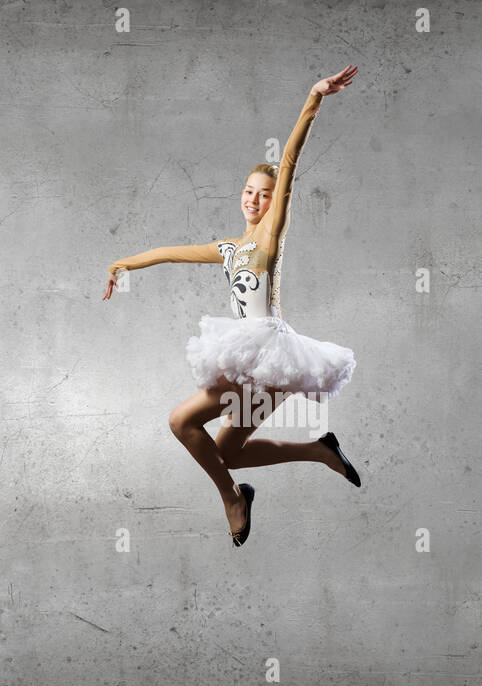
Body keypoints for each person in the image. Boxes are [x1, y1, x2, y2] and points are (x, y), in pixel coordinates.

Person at [104, 66, 362, 547]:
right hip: (256, 358)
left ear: (273, 205)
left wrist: (314, 97)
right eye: (248, 192)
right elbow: (170, 252)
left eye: (264, 196)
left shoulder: (270, 235)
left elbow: (288, 163)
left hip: (265, 353)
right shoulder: (228, 248)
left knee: (182, 423)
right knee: (227, 451)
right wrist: (123, 264)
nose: (255, 200)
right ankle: (319, 451)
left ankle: (232, 499)